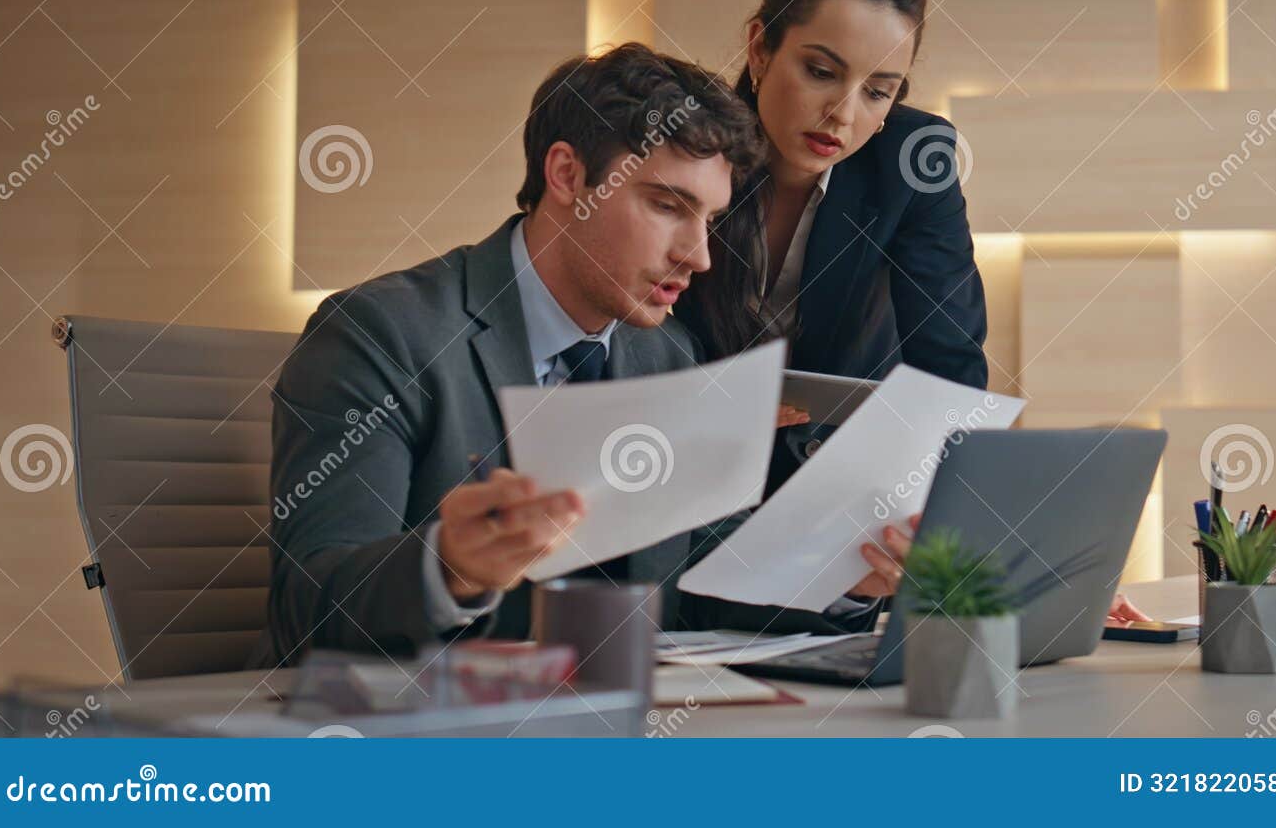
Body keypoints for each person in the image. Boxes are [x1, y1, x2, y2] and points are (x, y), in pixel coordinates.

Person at [251, 44, 893, 667]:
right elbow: (304, 612)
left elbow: (699, 585)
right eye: (667, 205)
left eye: (710, 220)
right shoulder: (380, 334)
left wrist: (840, 573)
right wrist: (449, 566)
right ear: (566, 175)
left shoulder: (668, 354)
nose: (698, 256)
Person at [680, 0, 1148, 623]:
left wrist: (998, 569)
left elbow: (949, 370)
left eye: (879, 91)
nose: (844, 114)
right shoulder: (684, 150)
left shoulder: (912, 158)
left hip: (845, 518)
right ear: (759, 49)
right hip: (689, 497)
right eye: (820, 71)